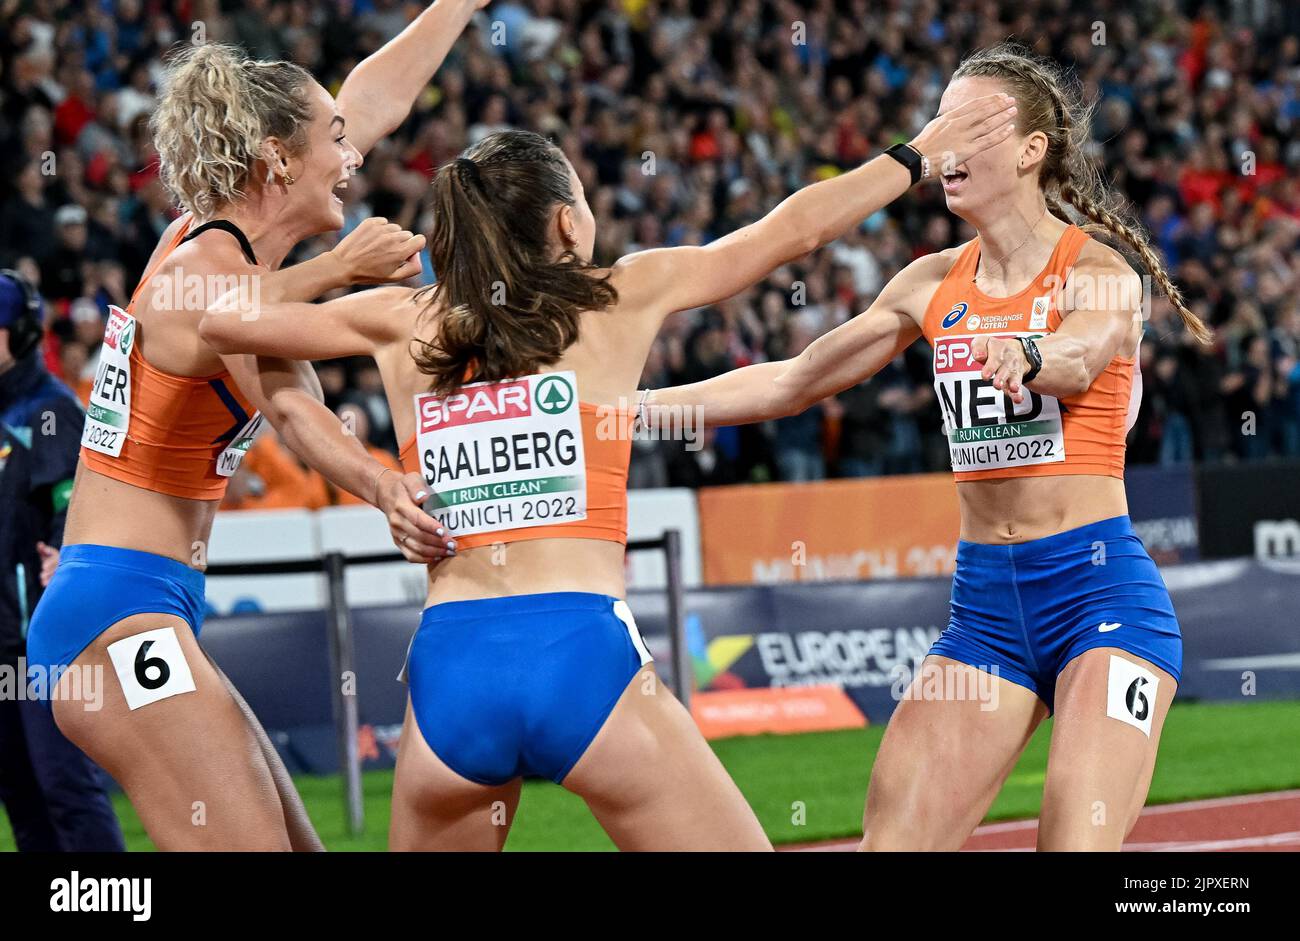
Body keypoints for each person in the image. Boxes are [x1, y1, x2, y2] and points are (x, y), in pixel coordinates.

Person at [199, 94, 1017, 850]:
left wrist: (335, 278)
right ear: (565, 221)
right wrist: (914, 155)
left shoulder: (398, 320)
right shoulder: (619, 296)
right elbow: (787, 234)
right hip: (578, 653)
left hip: (452, 668)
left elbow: (217, 320)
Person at [646, 43, 1211, 851]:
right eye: (935, 121)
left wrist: (1028, 355)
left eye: (966, 123)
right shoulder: (926, 283)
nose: (940, 143)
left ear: (1030, 150)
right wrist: (629, 414)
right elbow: (790, 382)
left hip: (1103, 597)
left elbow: (1085, 351)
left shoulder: (1097, 270)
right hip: (985, 613)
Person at [26, 1, 486, 852]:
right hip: (111, 617)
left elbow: (369, 101)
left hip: (141, 606)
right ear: (276, 156)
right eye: (336, 142)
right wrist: (384, 479)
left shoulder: (236, 260)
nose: (355, 159)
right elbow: (285, 400)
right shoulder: (205, 263)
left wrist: (456, 6)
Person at [0, 271, 123, 852]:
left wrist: (64, 552)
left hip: (40, 640)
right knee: (21, 797)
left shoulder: (48, 411)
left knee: (65, 789)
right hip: (2, 639)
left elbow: (79, 504)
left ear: (21, 333)